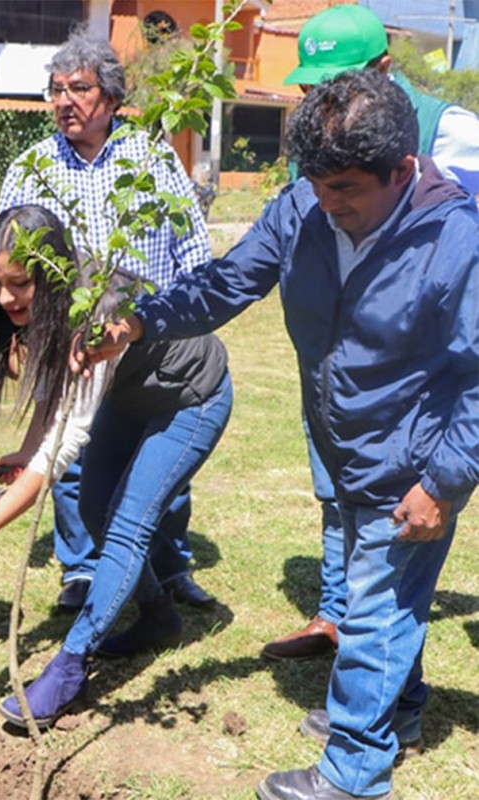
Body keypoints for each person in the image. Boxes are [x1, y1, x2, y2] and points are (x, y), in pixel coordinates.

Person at [89, 70, 477, 800]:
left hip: (410, 462)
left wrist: (444, 483)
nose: (327, 207)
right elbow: (227, 282)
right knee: (388, 601)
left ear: (401, 171)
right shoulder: (303, 206)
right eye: (317, 186)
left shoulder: (457, 242)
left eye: (346, 192)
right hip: (342, 445)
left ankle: (354, 772)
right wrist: (142, 321)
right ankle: (402, 711)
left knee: (373, 610)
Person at [0, 205, 232, 728]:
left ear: (50, 272)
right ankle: (158, 619)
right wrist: (27, 450)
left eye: (19, 283)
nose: (5, 297)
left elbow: (66, 440)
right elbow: (55, 397)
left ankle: (70, 664)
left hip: (190, 397)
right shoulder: (51, 304)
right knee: (95, 508)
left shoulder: (96, 310)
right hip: (128, 398)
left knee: (126, 525)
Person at [264, 2, 479, 662]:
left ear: (385, 67)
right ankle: (335, 617)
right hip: (335, 355)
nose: (320, 103)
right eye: (309, 88)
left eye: (339, 82)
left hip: (413, 365)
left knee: (395, 521)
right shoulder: (322, 135)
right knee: (336, 494)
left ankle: (377, 680)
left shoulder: (451, 132)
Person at [0, 26, 217, 615]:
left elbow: (190, 243)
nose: (65, 101)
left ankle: (170, 566)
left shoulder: (150, 157)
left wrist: (192, 316)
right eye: (56, 89)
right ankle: (83, 568)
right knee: (71, 457)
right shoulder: (31, 170)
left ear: (112, 99)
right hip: (68, 341)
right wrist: (21, 336)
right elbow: (9, 262)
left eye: (79, 89)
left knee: (160, 450)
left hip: (149, 337)